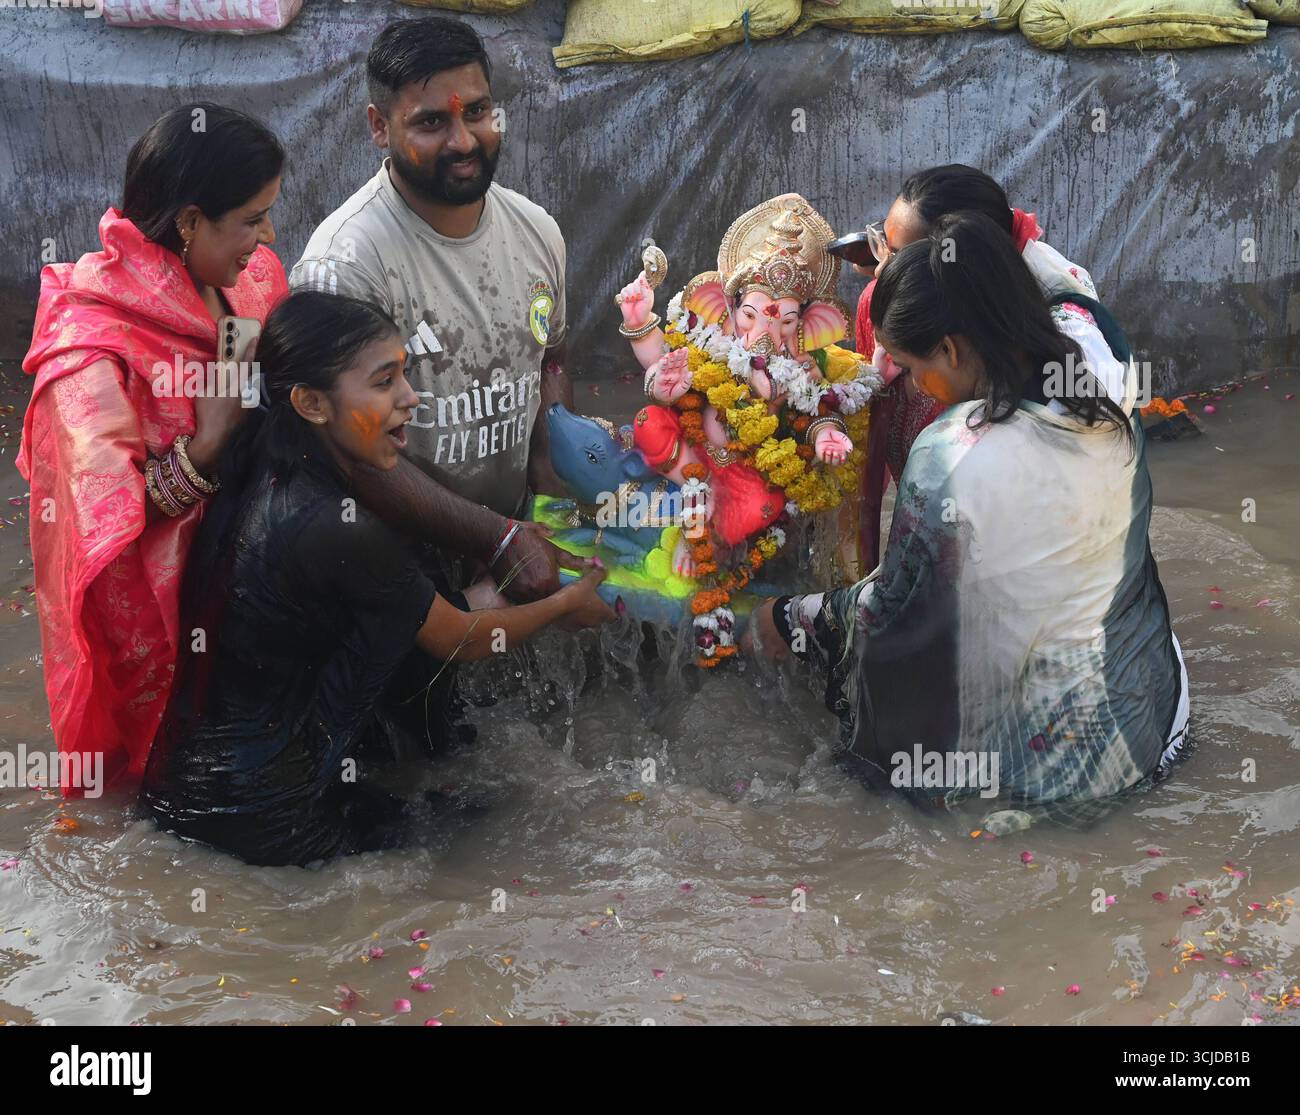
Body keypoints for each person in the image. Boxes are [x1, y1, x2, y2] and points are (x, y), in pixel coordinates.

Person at [141, 292, 614, 866]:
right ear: (311, 403)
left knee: (477, 810)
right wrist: (566, 605)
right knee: (512, 834)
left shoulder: (254, 453)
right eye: (385, 382)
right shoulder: (340, 527)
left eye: (405, 375)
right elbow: (460, 639)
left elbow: (238, 341)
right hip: (266, 823)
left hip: (186, 794)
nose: (412, 399)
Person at [749, 213, 1189, 821]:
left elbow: (892, 614)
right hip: (1151, 720)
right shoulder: (1099, 379)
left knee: (861, 769)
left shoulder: (952, 452)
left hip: (1044, 781)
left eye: (908, 365)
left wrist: (790, 618)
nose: (915, 384)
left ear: (952, 349)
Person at [17, 104, 288, 792]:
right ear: (191, 221)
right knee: (163, 789)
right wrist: (207, 446)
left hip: (252, 584)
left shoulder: (252, 283)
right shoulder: (91, 351)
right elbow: (102, 533)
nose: (268, 234)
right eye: (252, 218)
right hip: (165, 624)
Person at [289, 15, 569, 607]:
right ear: (379, 127)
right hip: (396, 570)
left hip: (514, 533)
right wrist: (496, 537)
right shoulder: (346, 266)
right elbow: (350, 454)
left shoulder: (537, 231)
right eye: (432, 122)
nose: (464, 140)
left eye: (476, 112)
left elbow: (550, 359)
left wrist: (547, 471)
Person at [855, 164, 1128, 569]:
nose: (880, 268)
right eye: (884, 248)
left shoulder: (1069, 351)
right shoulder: (981, 314)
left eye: (898, 255)